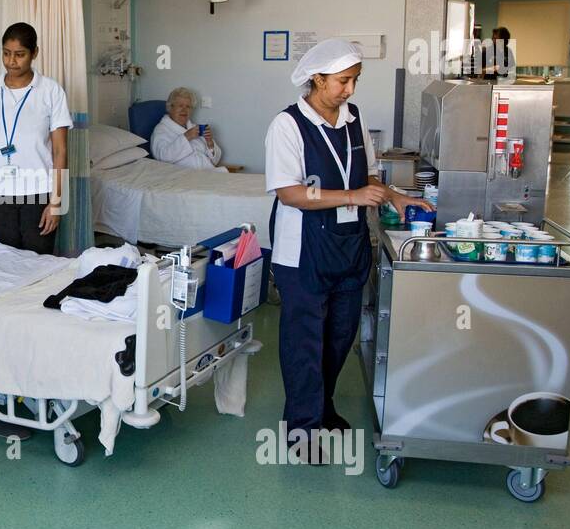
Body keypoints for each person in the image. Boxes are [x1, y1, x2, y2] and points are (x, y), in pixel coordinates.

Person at [264, 39, 431, 461]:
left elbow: (369, 175)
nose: (350, 90)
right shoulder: (287, 125)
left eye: (355, 80)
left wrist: (394, 197)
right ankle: (302, 432)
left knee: (340, 335)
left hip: (348, 244)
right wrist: (354, 197)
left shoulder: (354, 118)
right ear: (317, 79)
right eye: (342, 81)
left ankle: (321, 408)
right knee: (305, 340)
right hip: (303, 249)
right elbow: (291, 193)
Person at [0, 22, 72, 254]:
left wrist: (55, 203)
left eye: (19, 55)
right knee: (6, 264)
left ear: (34, 53)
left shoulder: (50, 91)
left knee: (39, 266)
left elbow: (60, 152)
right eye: (6, 54)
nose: (11, 61)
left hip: (38, 193)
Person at [150, 87, 224, 170]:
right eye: (180, 106)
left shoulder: (194, 128)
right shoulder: (161, 130)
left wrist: (210, 143)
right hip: (183, 177)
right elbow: (162, 157)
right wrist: (186, 137)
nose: (184, 110)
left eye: (188, 106)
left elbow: (215, 161)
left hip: (206, 173)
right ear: (170, 108)